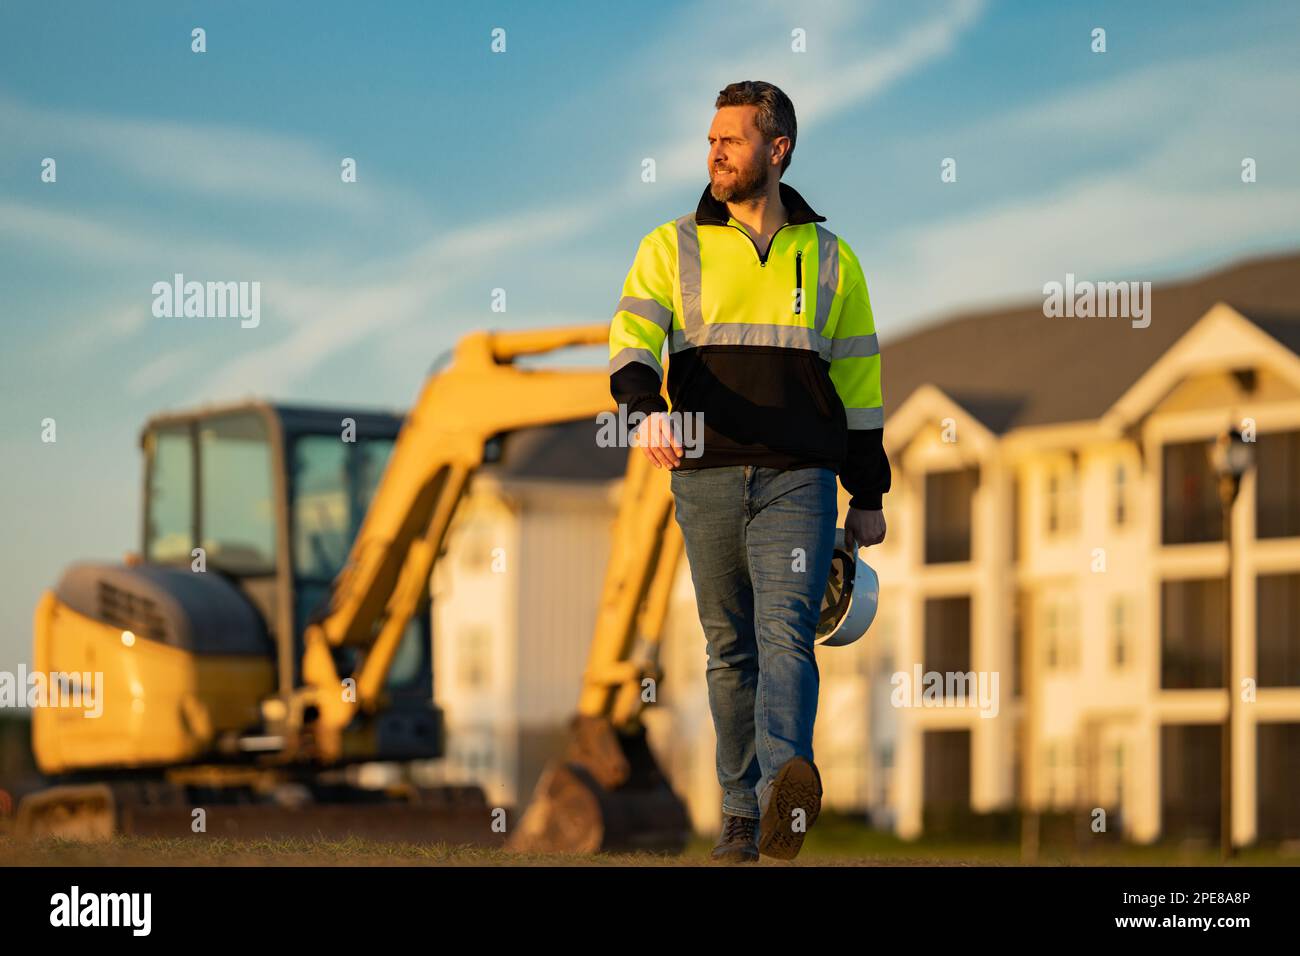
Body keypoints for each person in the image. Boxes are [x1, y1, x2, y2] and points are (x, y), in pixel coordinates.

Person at [607, 80, 890, 862]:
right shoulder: (671, 245)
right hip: (702, 473)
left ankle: (779, 798)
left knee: (785, 632)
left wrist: (867, 493)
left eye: (730, 139)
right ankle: (738, 812)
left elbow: (860, 385)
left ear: (778, 149)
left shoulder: (833, 258)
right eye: (710, 140)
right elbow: (632, 338)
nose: (714, 153)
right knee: (728, 647)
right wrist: (644, 407)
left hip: (800, 474)